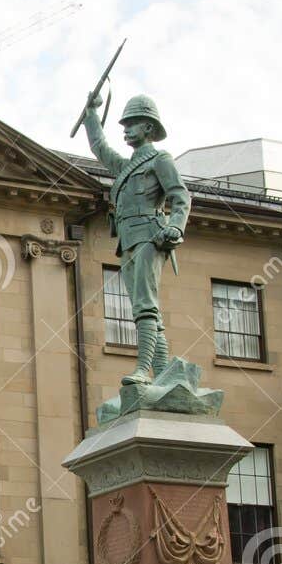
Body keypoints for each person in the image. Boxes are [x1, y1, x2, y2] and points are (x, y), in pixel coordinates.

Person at [81, 92, 191, 386]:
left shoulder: (160, 160)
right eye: (125, 124)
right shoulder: (127, 167)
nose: (126, 129)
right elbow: (100, 148)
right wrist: (91, 114)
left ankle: (143, 370)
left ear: (149, 128)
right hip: (127, 240)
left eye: (133, 124)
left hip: (150, 236)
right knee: (147, 308)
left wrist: (176, 228)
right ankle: (164, 375)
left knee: (144, 305)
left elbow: (180, 196)